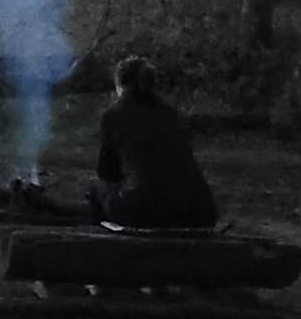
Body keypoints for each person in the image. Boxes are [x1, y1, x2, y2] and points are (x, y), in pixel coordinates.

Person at [90, 56, 219, 231]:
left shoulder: (114, 115)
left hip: (147, 211)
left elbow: (107, 172)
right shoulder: (173, 114)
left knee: (100, 189)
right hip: (201, 211)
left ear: (120, 85)